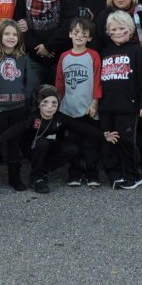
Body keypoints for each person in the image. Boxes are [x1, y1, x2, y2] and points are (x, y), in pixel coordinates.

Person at [0, 85, 111, 194]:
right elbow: (17, 128)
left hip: (48, 148)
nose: (50, 107)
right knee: (42, 142)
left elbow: (82, 127)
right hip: (32, 148)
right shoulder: (33, 118)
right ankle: (37, 178)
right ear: (38, 104)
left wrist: (103, 135)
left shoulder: (60, 117)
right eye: (45, 103)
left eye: (54, 103)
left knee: (72, 149)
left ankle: (41, 172)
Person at [98, 11, 142, 189]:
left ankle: (133, 175)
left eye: (122, 28)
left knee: (126, 141)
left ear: (130, 30)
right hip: (107, 106)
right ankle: (115, 174)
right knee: (109, 141)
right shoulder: (105, 52)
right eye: (113, 29)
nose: (118, 32)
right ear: (108, 31)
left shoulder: (138, 52)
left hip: (128, 107)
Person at [0, 19, 35, 195]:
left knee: (14, 143)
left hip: (18, 107)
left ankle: (15, 178)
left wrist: (27, 103)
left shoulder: (23, 58)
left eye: (14, 34)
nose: (11, 37)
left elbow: (28, 83)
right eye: (7, 34)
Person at [15, 0, 78, 88]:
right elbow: (19, 22)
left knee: (57, 98)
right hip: (33, 55)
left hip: (59, 54)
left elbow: (69, 22)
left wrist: (49, 46)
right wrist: (39, 48)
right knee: (33, 96)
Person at [55, 17, 102, 186]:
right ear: (70, 34)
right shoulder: (64, 56)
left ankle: (92, 173)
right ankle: (74, 173)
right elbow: (59, 82)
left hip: (88, 108)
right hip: (69, 108)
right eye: (76, 33)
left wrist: (95, 102)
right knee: (72, 143)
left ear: (89, 38)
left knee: (90, 143)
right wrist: (57, 103)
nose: (80, 36)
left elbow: (97, 81)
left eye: (84, 34)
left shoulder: (93, 55)